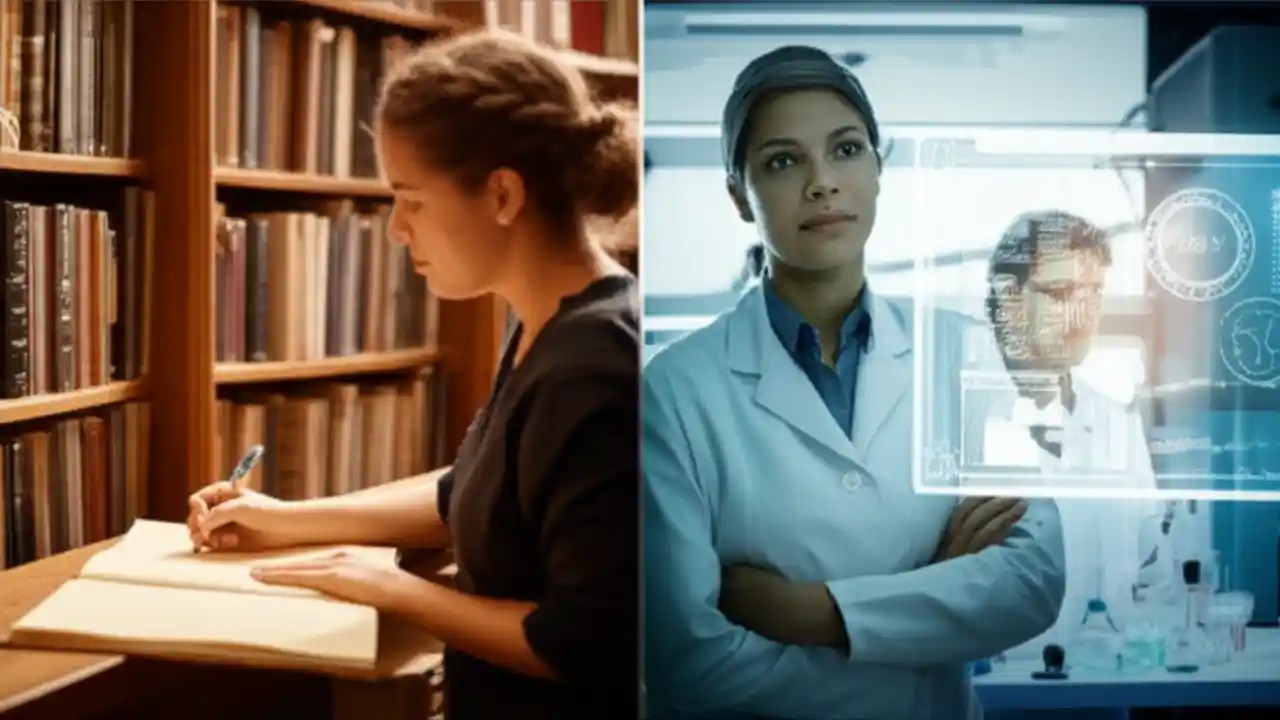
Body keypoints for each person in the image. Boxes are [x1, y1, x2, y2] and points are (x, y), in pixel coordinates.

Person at [186, 29, 639, 719]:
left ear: (503, 195)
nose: (397, 229)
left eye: (412, 199)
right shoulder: (545, 322)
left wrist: (391, 588)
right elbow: (477, 490)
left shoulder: (597, 363)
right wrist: (284, 521)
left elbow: (582, 644)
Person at [642, 45, 1066, 719]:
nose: (821, 182)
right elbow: (682, 662)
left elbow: (1031, 582)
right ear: (738, 196)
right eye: (783, 161)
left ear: (879, 168)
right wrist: (929, 603)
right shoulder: (674, 392)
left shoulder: (965, 354)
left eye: (845, 150)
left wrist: (802, 611)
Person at [980, 211, 1172, 664]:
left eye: (1094, 294)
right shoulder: (960, 424)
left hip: (1105, 692)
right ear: (1009, 300)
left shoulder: (1115, 423)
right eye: (1061, 293)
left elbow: (1156, 574)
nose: (1083, 314)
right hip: (1000, 697)